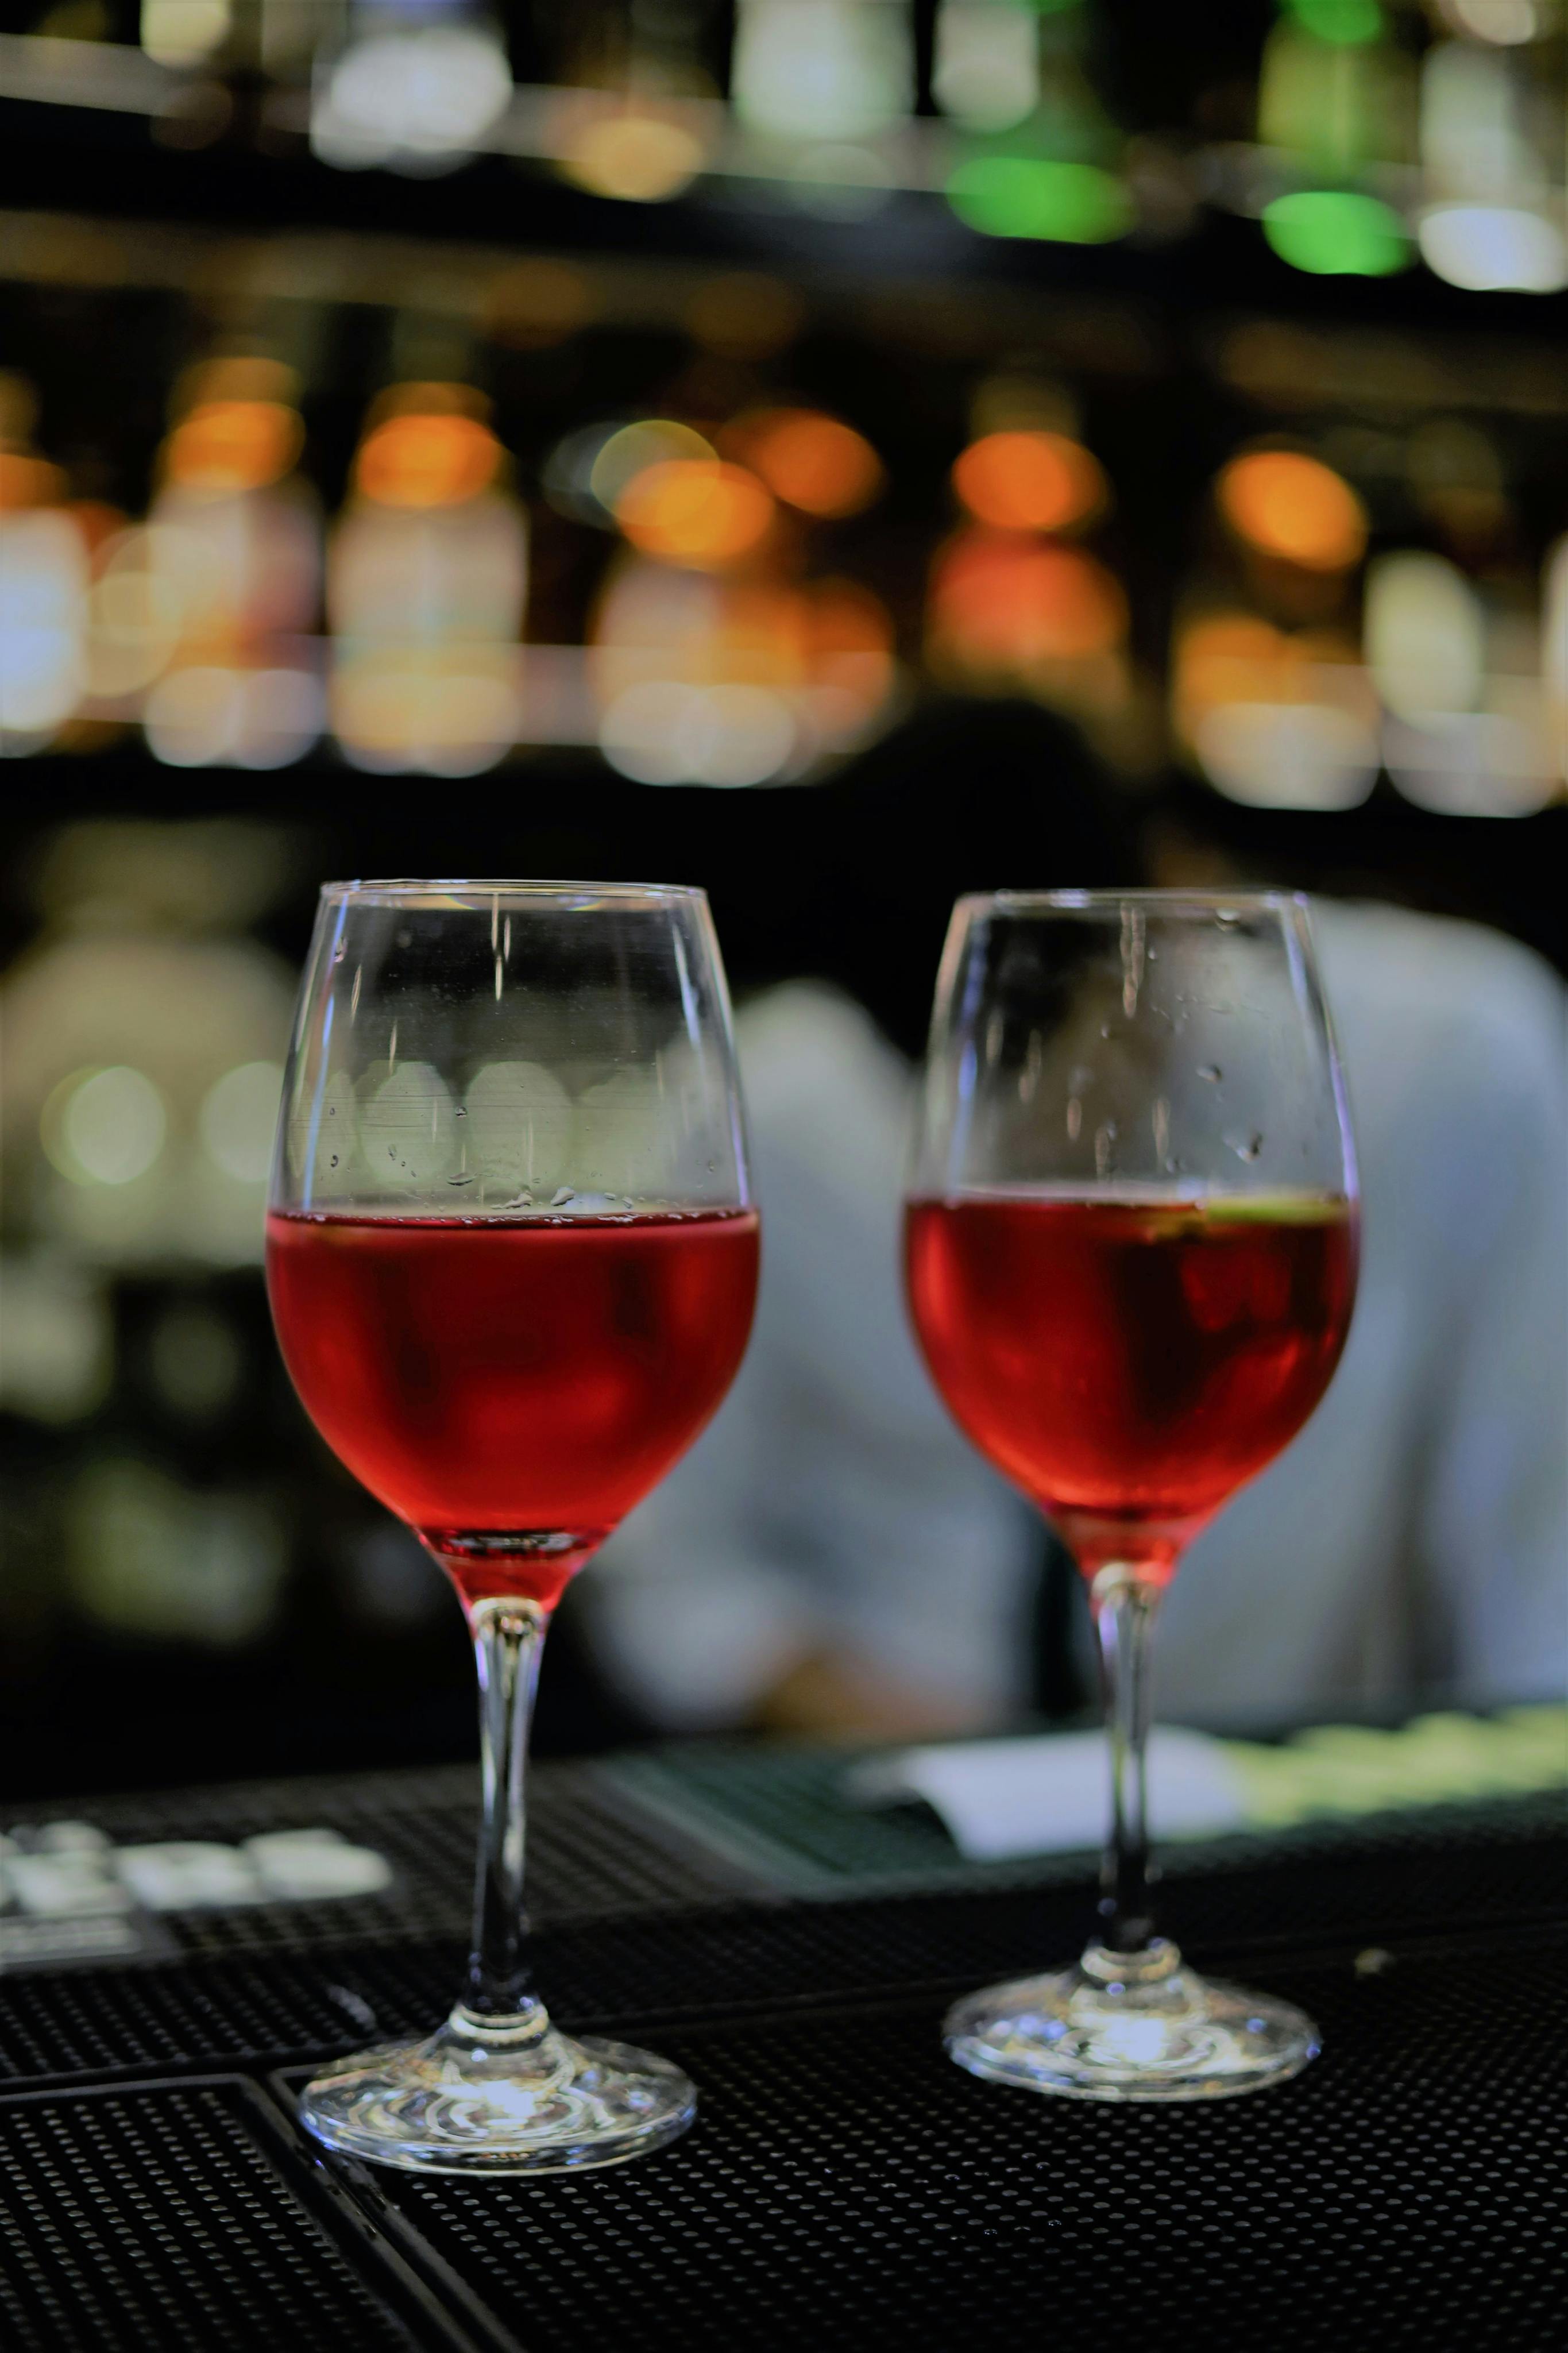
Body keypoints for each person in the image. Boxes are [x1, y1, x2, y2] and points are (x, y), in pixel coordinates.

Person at [582, 704, 1568, 1736]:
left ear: (1170, 889)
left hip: (1291, 1779)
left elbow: (1538, 1558)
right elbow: (674, 1570)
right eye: (958, 1063)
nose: (1018, 1110)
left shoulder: (1449, 1062)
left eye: (1047, 1035)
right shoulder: (773, 1108)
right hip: (894, 1780)